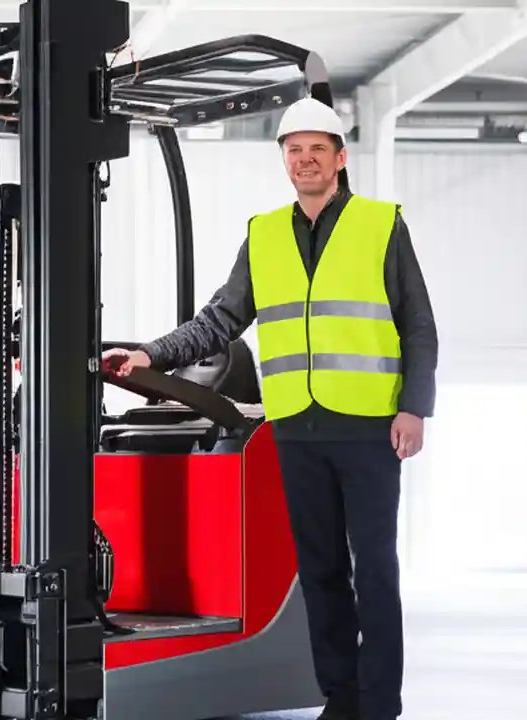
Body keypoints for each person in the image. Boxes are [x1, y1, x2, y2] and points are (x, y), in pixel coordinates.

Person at [102, 96, 437, 720]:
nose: (305, 160)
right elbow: (220, 319)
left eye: (317, 150)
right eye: (294, 150)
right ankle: (340, 699)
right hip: (296, 428)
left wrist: (414, 408)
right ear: (284, 161)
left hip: (368, 426)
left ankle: (380, 704)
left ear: (339, 159)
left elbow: (418, 325)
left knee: (376, 573)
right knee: (319, 572)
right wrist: (152, 353)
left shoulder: (381, 224)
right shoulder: (264, 234)